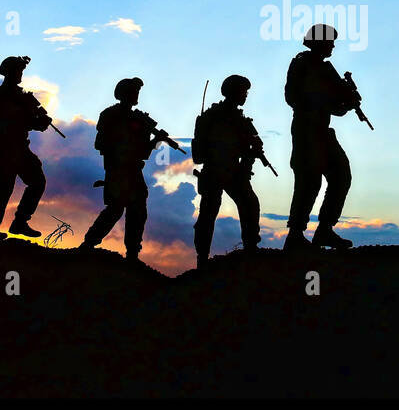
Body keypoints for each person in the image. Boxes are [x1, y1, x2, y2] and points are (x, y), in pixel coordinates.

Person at [80, 77, 182, 261]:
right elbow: (100, 143)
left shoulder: (139, 120)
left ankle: (132, 253)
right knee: (116, 209)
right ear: (125, 93)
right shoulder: (111, 115)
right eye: (134, 91)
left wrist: (154, 140)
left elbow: (143, 152)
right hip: (118, 169)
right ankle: (89, 244)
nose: (136, 95)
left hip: (133, 170)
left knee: (137, 211)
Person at [283, 25, 360, 250]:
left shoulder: (325, 69)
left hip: (322, 131)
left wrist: (347, 103)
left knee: (341, 175)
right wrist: (330, 99)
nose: (333, 46)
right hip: (306, 129)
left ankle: (325, 230)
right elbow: (293, 97)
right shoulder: (302, 64)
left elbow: (336, 108)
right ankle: (295, 235)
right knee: (309, 181)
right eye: (329, 42)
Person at [191, 75, 266, 268]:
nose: (246, 95)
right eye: (243, 91)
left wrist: (251, 153)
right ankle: (202, 258)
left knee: (249, 204)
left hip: (232, 170)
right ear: (234, 92)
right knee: (209, 214)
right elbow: (202, 151)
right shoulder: (215, 117)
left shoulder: (237, 119)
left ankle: (250, 247)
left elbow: (246, 146)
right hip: (217, 170)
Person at [0, 55, 52, 240]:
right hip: (4, 148)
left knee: (37, 182)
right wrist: (17, 123)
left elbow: (31, 124)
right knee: (3, 188)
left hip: (20, 147)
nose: (21, 75)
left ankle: (20, 222)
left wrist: (40, 123)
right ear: (11, 73)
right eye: (18, 71)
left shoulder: (23, 98)